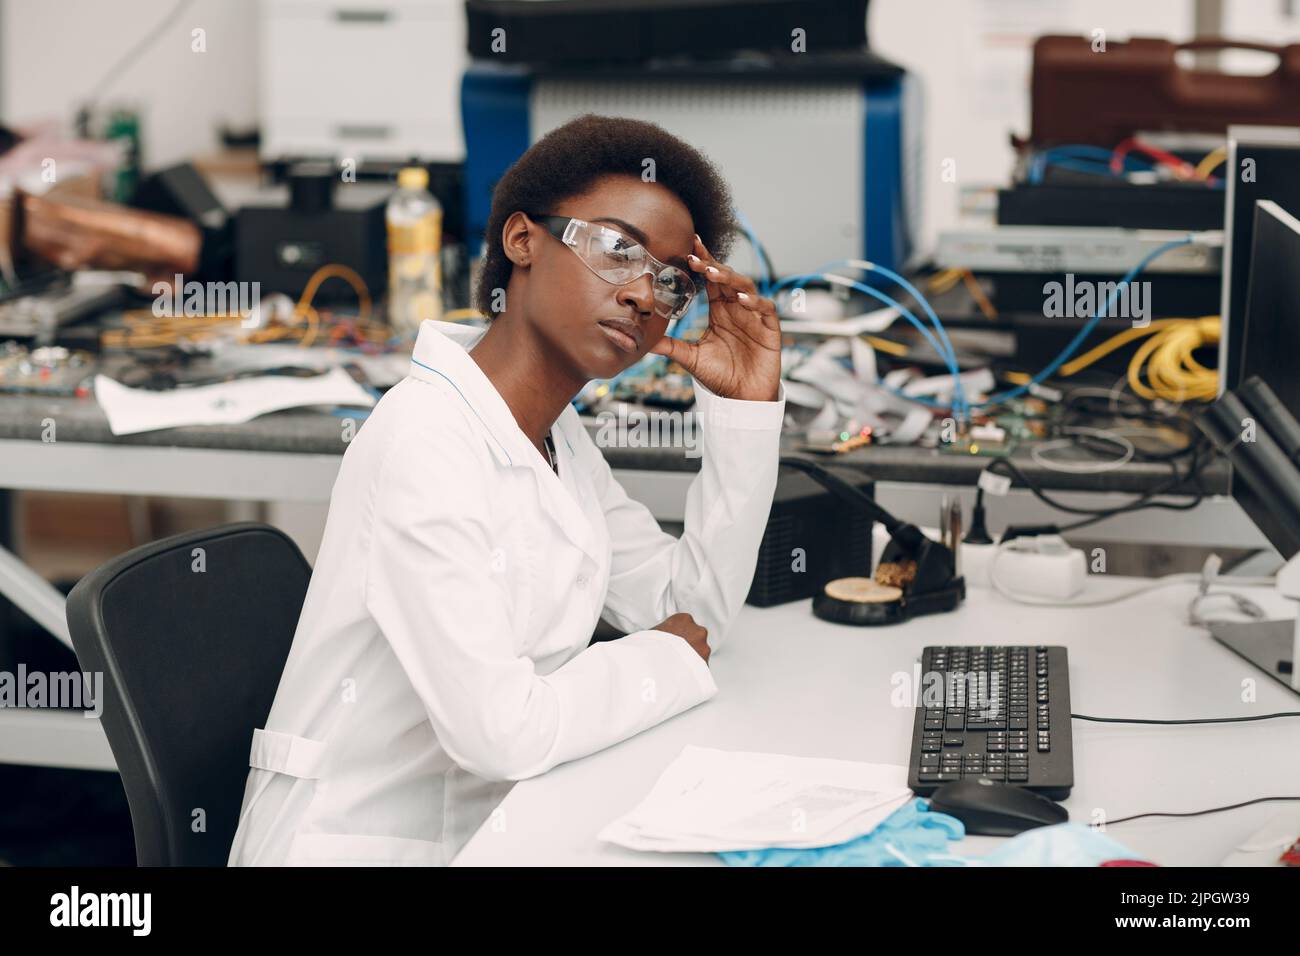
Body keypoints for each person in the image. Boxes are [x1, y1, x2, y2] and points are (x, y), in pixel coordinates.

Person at [228, 114, 785, 866]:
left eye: (670, 281)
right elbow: (500, 731)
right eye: (618, 249)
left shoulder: (556, 437)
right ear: (523, 240)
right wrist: (661, 659)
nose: (643, 297)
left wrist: (744, 416)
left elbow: (692, 616)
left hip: (492, 829)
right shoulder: (425, 443)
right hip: (353, 845)